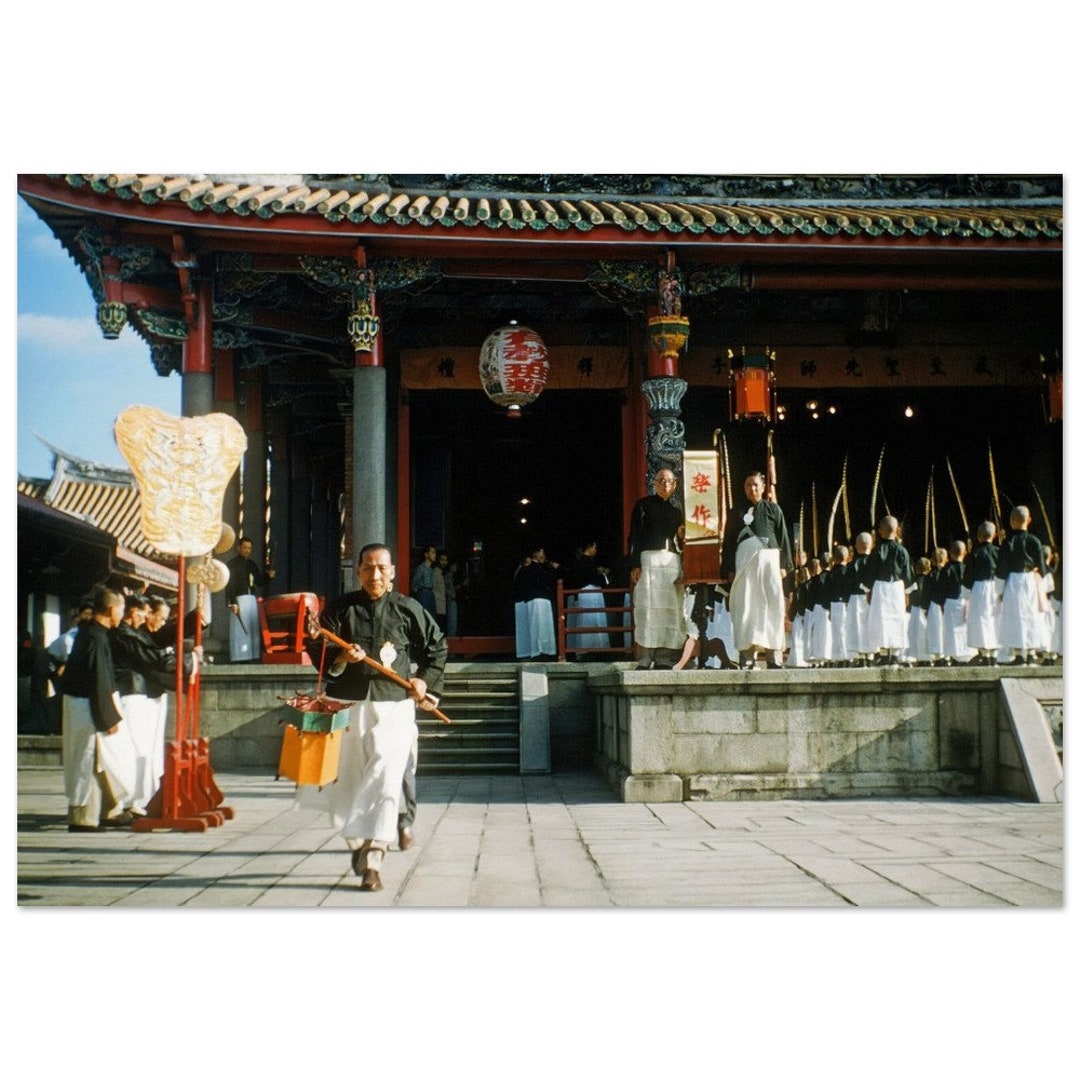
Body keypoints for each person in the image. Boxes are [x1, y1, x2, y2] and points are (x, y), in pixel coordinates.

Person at [297, 543, 447, 891]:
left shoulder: (409, 609)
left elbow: (436, 648)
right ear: (358, 571)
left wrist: (423, 680)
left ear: (392, 571)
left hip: (393, 706)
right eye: (367, 568)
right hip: (346, 705)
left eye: (381, 568)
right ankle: (358, 844)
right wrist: (342, 658)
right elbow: (317, 647)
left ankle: (375, 856)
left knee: (385, 775)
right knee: (346, 783)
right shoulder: (341, 608)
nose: (374, 575)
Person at [60, 584, 138, 832]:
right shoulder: (93, 637)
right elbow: (98, 679)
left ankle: (108, 810)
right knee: (88, 761)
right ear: (112, 608)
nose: (122, 614)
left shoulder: (94, 634)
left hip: (88, 704)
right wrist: (108, 717)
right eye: (121, 609)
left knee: (103, 761)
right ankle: (83, 818)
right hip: (86, 707)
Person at [720, 471, 793, 669]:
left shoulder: (773, 509)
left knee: (772, 607)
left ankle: (773, 656)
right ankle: (747, 656)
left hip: (770, 563)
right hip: (745, 565)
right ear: (743, 489)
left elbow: (784, 537)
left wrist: (784, 565)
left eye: (755, 485)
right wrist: (728, 568)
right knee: (747, 607)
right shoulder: (736, 512)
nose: (752, 489)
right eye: (748, 485)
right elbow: (728, 543)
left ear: (763, 487)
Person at [627, 468, 685, 669]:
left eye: (669, 481)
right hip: (648, 561)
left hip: (670, 562)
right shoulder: (643, 505)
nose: (665, 484)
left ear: (675, 485)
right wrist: (634, 564)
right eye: (661, 480)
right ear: (654, 483)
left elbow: (681, 542)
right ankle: (644, 659)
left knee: (669, 611)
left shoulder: (676, 512)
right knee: (648, 610)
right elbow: (634, 535)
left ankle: (664, 659)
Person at [996, 505, 1049, 665]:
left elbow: (1001, 569)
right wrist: (1046, 588)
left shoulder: (1007, 542)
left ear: (1012, 522)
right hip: (1031, 580)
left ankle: (1019, 654)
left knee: (1015, 616)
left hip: (1013, 581)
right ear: (1029, 520)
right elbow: (1042, 566)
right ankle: (1031, 653)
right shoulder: (1035, 541)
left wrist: (999, 591)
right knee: (1032, 615)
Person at [861, 515, 915, 667]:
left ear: (880, 531)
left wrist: (867, 590)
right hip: (898, 588)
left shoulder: (877, 551)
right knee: (897, 619)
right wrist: (907, 593)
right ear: (897, 530)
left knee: (881, 620)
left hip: (880, 589)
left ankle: (885, 654)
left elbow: (869, 573)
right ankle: (896, 655)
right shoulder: (902, 551)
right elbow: (908, 574)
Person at [225, 536, 274, 661]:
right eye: (245, 548)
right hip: (238, 601)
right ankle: (239, 657)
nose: (247, 550)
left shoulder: (252, 564)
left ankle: (252, 656)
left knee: (252, 628)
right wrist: (232, 603)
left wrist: (268, 576)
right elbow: (229, 585)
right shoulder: (232, 564)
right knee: (240, 629)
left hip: (251, 601)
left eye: (249, 548)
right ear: (239, 548)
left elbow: (259, 582)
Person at [564, 541, 612, 658]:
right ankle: (590, 649)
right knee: (589, 619)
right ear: (589, 547)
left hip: (587, 593)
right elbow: (594, 577)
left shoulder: (583, 562)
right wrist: (602, 576)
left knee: (588, 619)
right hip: (589, 592)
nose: (595, 551)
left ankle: (589, 649)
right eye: (594, 548)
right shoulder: (587, 563)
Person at [514, 546, 560, 660]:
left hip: (536, 599)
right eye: (541, 553)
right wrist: (554, 569)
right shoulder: (535, 568)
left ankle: (540, 651)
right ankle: (540, 652)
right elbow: (548, 580)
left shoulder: (531, 568)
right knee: (540, 626)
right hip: (538, 599)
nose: (543, 556)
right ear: (535, 554)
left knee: (539, 626)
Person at [964, 522, 1000, 665]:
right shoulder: (999, 551)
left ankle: (986, 655)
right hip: (996, 588)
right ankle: (994, 655)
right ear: (995, 535)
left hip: (979, 588)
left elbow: (968, 577)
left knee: (981, 621)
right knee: (995, 620)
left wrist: (965, 597)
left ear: (978, 537)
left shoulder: (975, 553)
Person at [410, 545, 438, 618]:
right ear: (426, 554)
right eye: (433, 552)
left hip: (430, 594)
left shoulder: (431, 570)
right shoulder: (421, 568)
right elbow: (414, 584)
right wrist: (420, 594)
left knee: (432, 616)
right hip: (423, 594)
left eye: (435, 553)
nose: (435, 555)